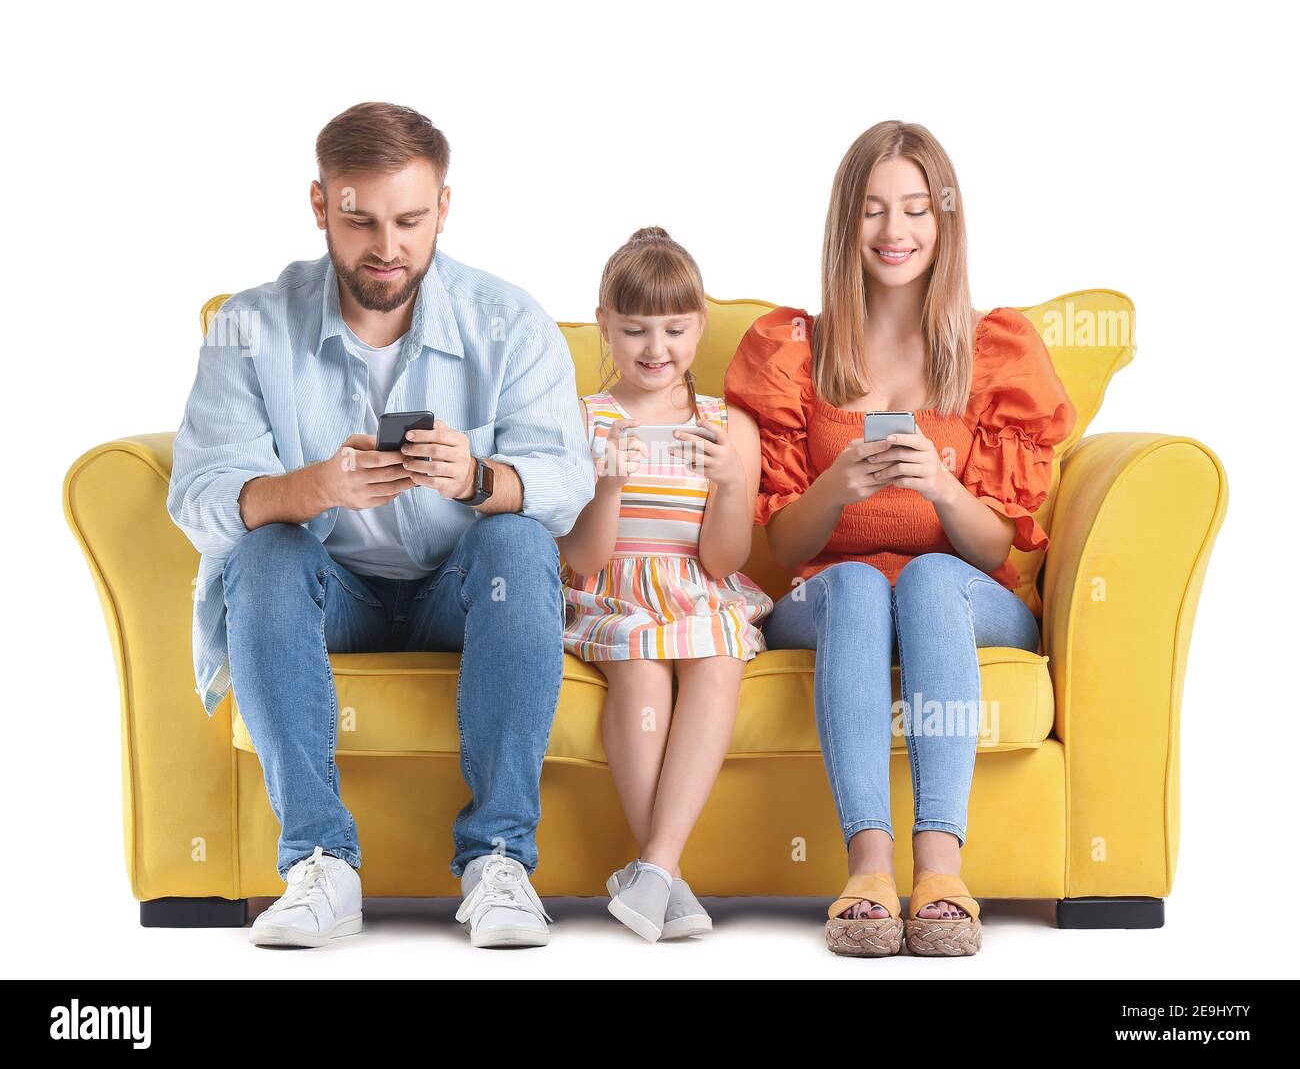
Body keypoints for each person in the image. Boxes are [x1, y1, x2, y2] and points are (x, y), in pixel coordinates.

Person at [167, 102, 595, 949]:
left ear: (444, 209)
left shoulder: (509, 320)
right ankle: (320, 861)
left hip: (459, 590)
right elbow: (199, 497)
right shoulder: (250, 325)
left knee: (516, 538)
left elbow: (566, 483)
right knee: (264, 552)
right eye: (360, 220)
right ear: (322, 206)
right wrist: (310, 488)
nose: (387, 248)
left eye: (410, 220)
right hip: (329, 593)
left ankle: (499, 859)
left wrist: (478, 478)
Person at [723, 121, 1076, 957]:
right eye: (875, 210)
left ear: (943, 222)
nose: (894, 231)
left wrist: (942, 488)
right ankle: (869, 870)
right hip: (830, 595)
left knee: (921, 579)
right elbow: (781, 537)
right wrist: (837, 486)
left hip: (960, 593)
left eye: (916, 209)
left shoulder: (994, 350)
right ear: (847, 222)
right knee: (854, 584)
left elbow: (995, 552)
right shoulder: (795, 348)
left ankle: (941, 869)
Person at [558, 227, 773, 942]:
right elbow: (582, 556)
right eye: (635, 329)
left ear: (700, 326)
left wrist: (733, 483)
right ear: (605, 328)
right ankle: (665, 874)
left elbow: (722, 561)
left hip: (695, 586)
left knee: (718, 650)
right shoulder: (582, 421)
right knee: (641, 675)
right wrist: (609, 485)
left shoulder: (725, 425)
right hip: (616, 588)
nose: (656, 348)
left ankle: (653, 865)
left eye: (676, 329)